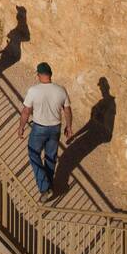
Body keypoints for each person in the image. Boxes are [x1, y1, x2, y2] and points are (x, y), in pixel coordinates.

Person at [18, 62, 73, 203]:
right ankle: (49, 183)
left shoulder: (34, 90)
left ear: (39, 75)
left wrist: (21, 128)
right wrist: (69, 126)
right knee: (51, 156)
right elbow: (67, 110)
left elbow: (26, 111)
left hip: (39, 128)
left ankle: (44, 187)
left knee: (33, 153)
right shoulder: (61, 90)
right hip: (55, 128)